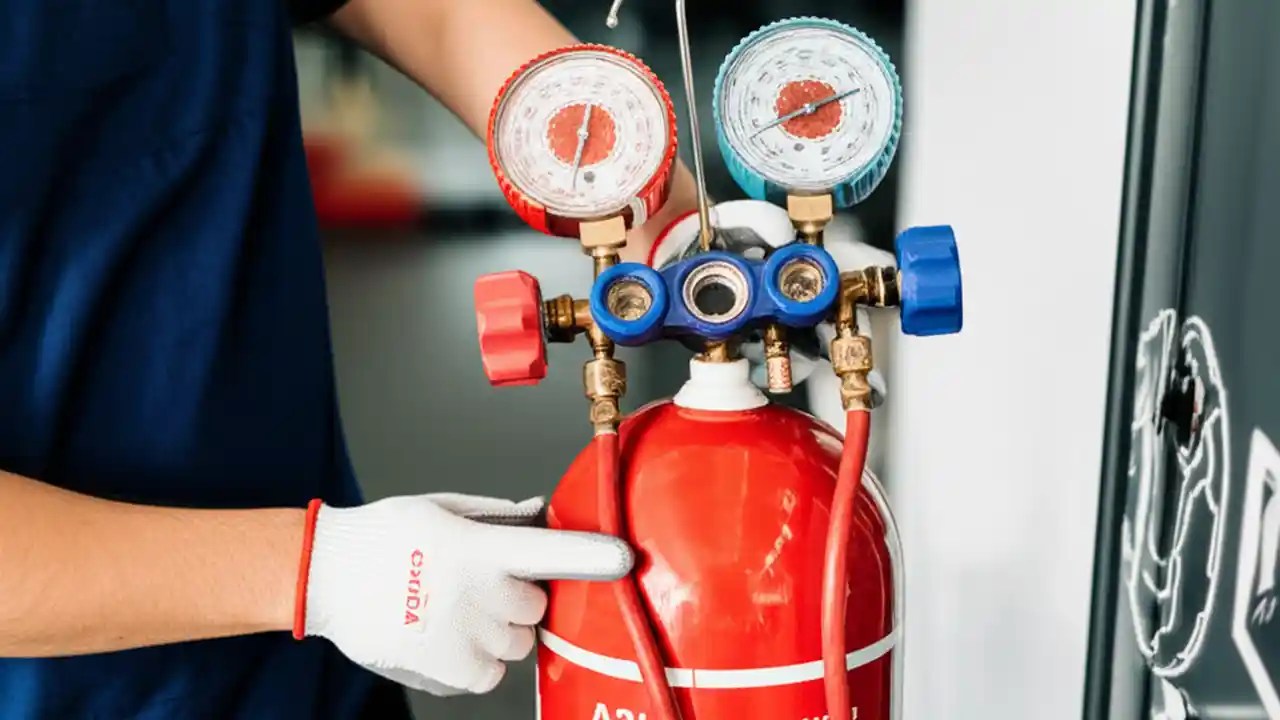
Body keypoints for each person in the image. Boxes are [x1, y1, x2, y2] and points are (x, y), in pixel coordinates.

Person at [0, 0, 700, 717]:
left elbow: (436, 15)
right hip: (81, 680)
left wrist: (668, 222)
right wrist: (321, 573)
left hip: (323, 662)